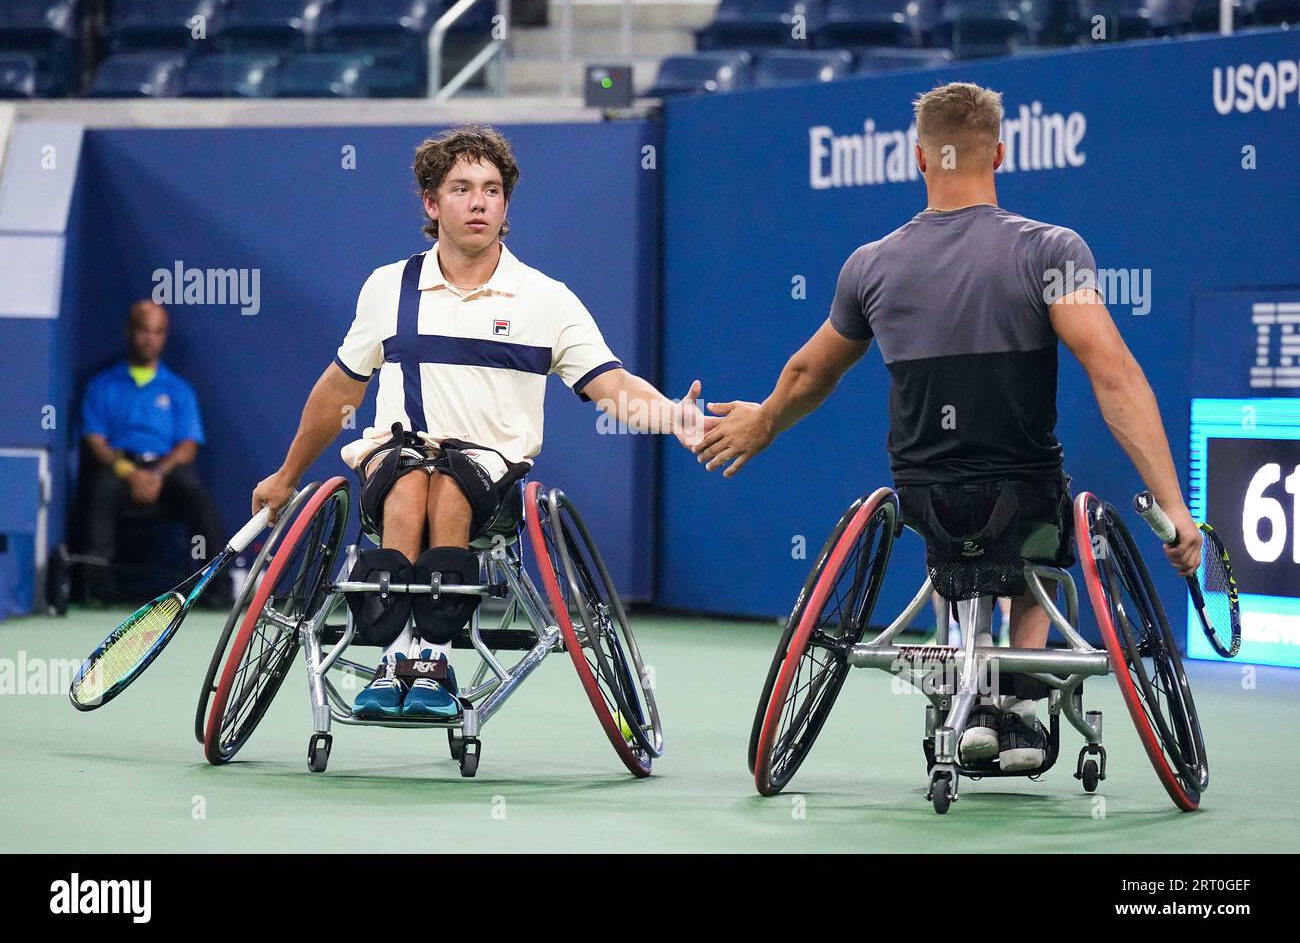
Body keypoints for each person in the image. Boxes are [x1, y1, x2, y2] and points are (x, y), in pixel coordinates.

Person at [695, 82, 1201, 772]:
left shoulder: (870, 266)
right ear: (999, 151)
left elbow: (808, 373)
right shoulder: (1051, 250)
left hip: (926, 502)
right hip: (1023, 494)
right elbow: (1114, 373)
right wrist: (1173, 504)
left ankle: (965, 690)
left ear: (918, 158)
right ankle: (1017, 704)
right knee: (1041, 543)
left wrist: (763, 425)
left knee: (958, 544)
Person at [251, 124, 709, 721]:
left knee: (446, 478)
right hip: (394, 465)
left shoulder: (546, 299)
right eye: (462, 188)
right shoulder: (390, 287)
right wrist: (287, 475)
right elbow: (339, 388)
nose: (478, 202)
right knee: (415, 473)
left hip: (489, 478)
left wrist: (672, 416)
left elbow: (611, 385)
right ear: (431, 202)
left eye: (492, 190)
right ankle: (397, 655)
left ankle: (432, 657)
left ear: (505, 205)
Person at [80, 300, 227, 606]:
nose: (150, 339)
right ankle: (95, 586)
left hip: (165, 470)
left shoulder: (178, 388)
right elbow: (95, 441)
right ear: (129, 332)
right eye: (144, 331)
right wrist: (130, 473)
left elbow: (188, 445)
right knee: (100, 490)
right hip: (120, 470)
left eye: (158, 332)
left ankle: (217, 587)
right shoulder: (102, 385)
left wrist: (156, 474)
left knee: (194, 491)